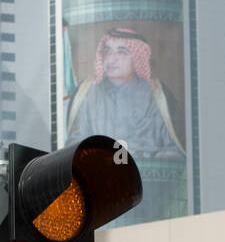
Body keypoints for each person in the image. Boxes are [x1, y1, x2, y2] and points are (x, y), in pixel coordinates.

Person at [65, 28, 184, 160]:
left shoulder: (157, 94)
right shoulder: (88, 92)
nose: (111, 59)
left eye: (121, 52)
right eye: (107, 51)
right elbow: (74, 146)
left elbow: (174, 149)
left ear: (137, 57)